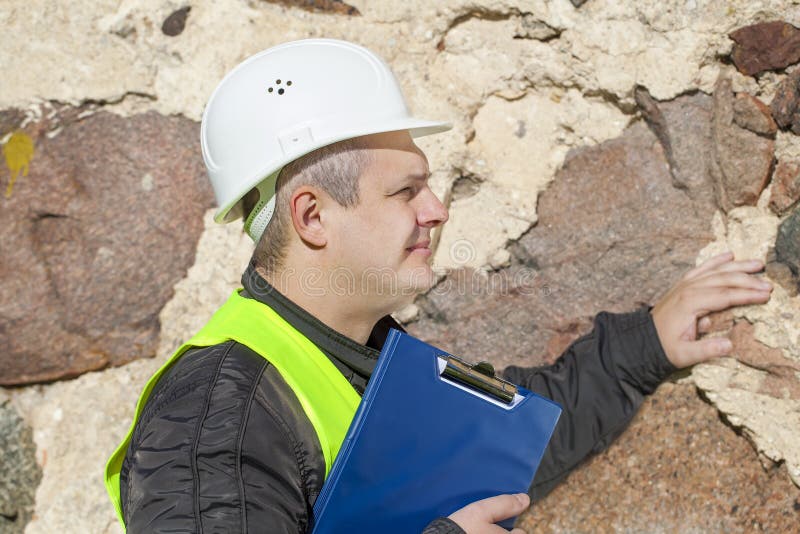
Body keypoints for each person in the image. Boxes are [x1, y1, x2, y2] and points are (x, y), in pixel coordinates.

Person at [104, 39, 773, 533]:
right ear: (313, 217)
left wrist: (643, 347)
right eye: (406, 190)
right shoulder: (216, 413)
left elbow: (492, 440)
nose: (437, 209)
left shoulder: (351, 352)